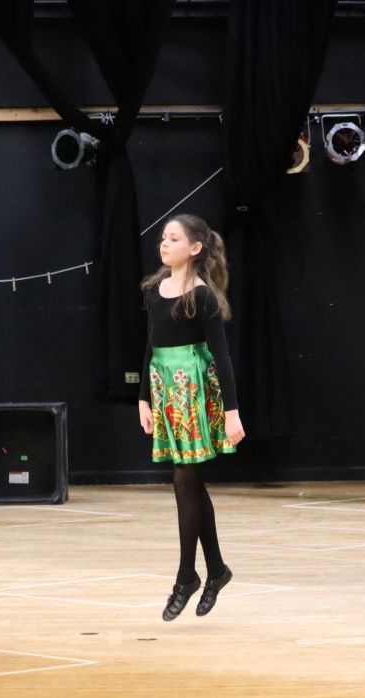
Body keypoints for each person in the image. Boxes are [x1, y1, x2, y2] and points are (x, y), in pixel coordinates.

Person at [138, 214, 245, 621]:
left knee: (185, 478)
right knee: (190, 482)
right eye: (163, 238)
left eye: (174, 238)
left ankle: (187, 575)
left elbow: (221, 356)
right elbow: (150, 346)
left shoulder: (202, 296)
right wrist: (144, 398)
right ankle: (215, 569)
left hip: (193, 390)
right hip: (165, 388)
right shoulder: (154, 289)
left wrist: (232, 414)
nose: (164, 244)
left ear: (195, 248)